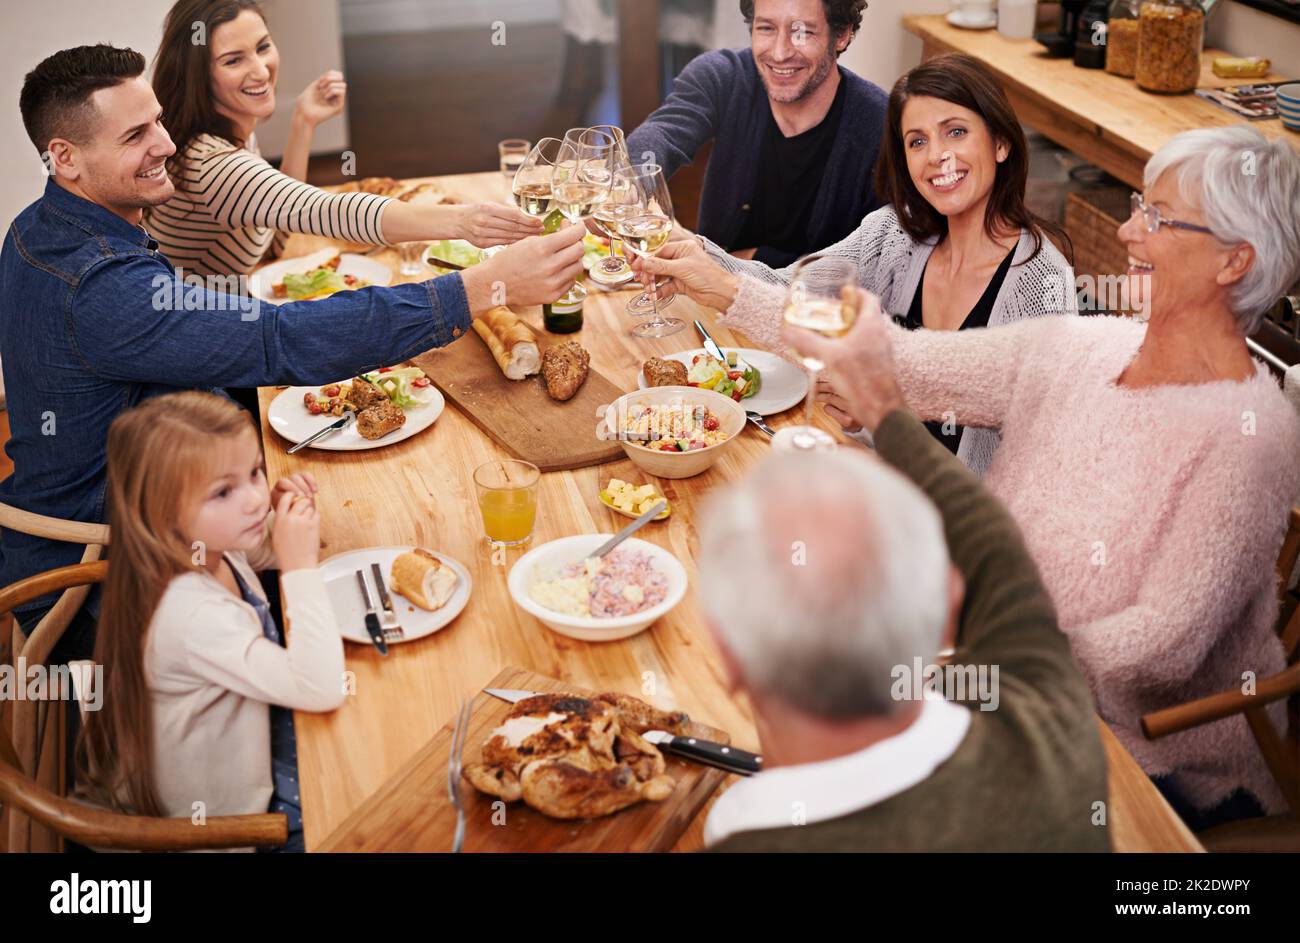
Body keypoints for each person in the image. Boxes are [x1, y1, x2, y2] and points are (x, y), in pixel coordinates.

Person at [782, 125, 1300, 830]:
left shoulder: (1251, 436)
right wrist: (724, 287)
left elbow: (1158, 643)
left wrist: (969, 658)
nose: (1126, 232)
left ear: (1233, 261)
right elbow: (905, 363)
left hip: (1150, 752)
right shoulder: (1084, 346)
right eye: (1136, 206)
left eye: (1157, 216)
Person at [3, 43, 584, 660]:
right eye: (135, 134)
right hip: (101, 572)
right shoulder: (99, 286)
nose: (166, 145)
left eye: (159, 121)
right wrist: (478, 288)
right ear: (63, 157)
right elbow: (279, 339)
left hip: (139, 503)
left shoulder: (44, 226)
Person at [698, 372, 1109, 851]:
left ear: (728, 658)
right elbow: (994, 548)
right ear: (949, 614)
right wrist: (885, 409)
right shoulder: (1053, 721)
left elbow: (991, 546)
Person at [632, 52, 1077, 473]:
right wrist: (698, 252)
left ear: (1000, 143)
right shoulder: (895, 232)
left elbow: (1032, 458)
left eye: (956, 131)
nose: (937, 155)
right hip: (871, 477)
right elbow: (793, 290)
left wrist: (872, 405)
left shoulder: (1042, 284)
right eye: (917, 141)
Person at [77, 392, 337, 852]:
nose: (255, 499)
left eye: (255, 473)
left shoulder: (205, 548)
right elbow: (322, 686)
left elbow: (283, 548)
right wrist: (297, 565)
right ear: (164, 513)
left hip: (263, 741)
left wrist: (283, 518)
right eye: (223, 491)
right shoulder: (189, 612)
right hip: (236, 820)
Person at [147, 0, 540, 278]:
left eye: (263, 47)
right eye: (234, 60)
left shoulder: (226, 135)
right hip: (204, 364)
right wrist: (462, 221)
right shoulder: (213, 165)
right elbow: (327, 212)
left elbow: (277, 233)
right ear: (198, 75)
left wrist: (303, 122)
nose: (261, 70)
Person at [624, 0, 887, 267]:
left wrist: (750, 261)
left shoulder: (879, 125)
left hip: (812, 307)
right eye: (766, 28)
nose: (780, 52)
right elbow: (663, 133)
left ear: (841, 35)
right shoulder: (725, 75)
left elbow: (870, 267)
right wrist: (632, 183)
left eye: (803, 32)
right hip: (709, 297)